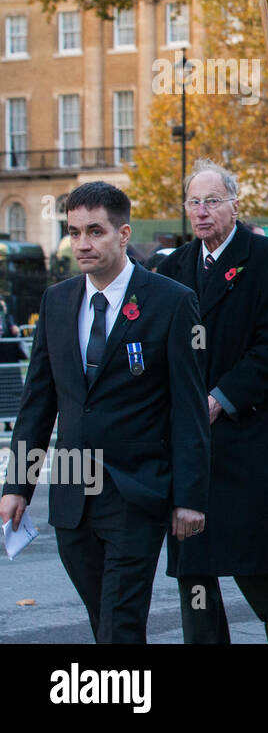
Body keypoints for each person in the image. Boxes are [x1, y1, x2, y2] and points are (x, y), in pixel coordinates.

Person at [0, 182, 208, 643]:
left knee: (119, 621)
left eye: (94, 231)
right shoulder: (57, 302)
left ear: (123, 233)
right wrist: (17, 486)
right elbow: (38, 404)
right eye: (74, 232)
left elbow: (189, 409)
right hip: (73, 493)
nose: (82, 244)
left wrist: (189, 496)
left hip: (136, 491)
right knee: (105, 622)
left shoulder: (171, 302)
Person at [157, 160, 268, 644]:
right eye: (194, 202)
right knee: (194, 575)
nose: (201, 212)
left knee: (256, 569)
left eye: (212, 201)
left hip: (246, 437)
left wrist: (220, 399)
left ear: (234, 204)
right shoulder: (173, 267)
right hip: (190, 444)